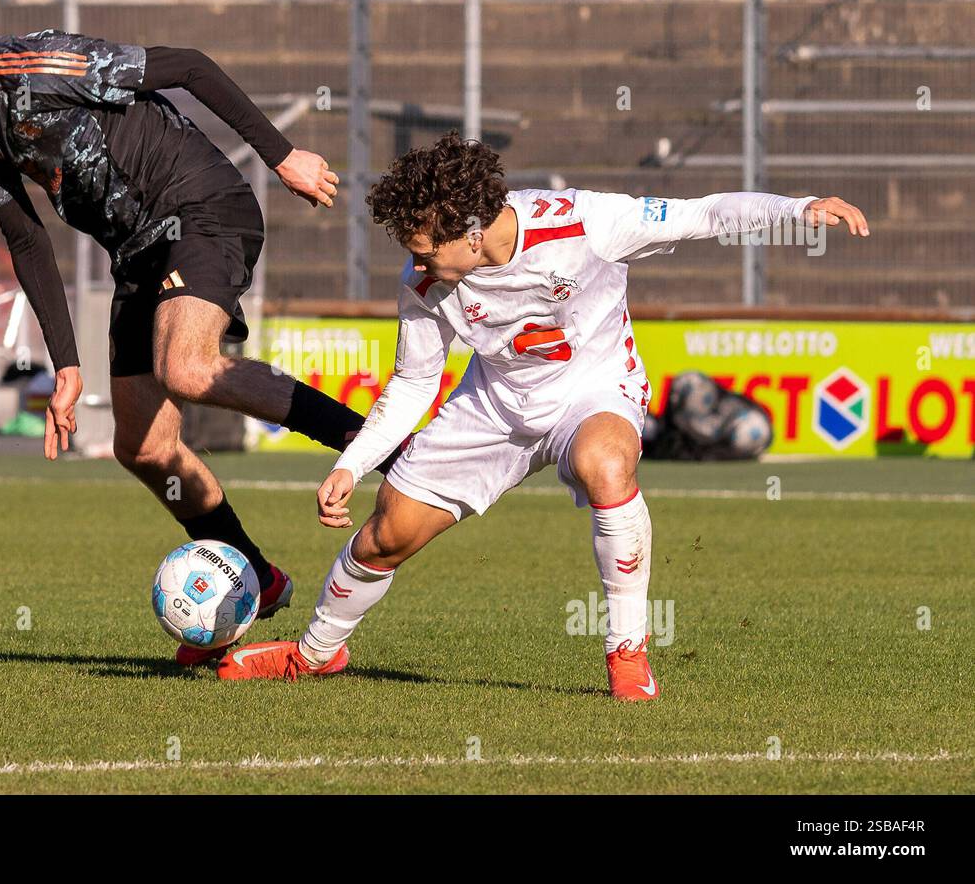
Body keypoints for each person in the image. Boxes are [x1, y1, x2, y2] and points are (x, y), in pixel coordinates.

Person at [217, 131, 870, 699]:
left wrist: (799, 208)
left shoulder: (585, 222)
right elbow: (415, 384)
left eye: (422, 248)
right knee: (387, 532)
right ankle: (316, 654)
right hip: (495, 405)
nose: (415, 263)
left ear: (469, 230)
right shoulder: (423, 285)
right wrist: (353, 464)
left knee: (603, 464)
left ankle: (627, 651)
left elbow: (702, 214)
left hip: (594, 388)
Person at [0, 0, 400, 665]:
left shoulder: (42, 62)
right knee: (141, 448)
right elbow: (27, 241)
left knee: (186, 366)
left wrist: (282, 156)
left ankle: (378, 446)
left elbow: (190, 68)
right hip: (137, 252)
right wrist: (66, 365)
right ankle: (257, 576)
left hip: (201, 208)